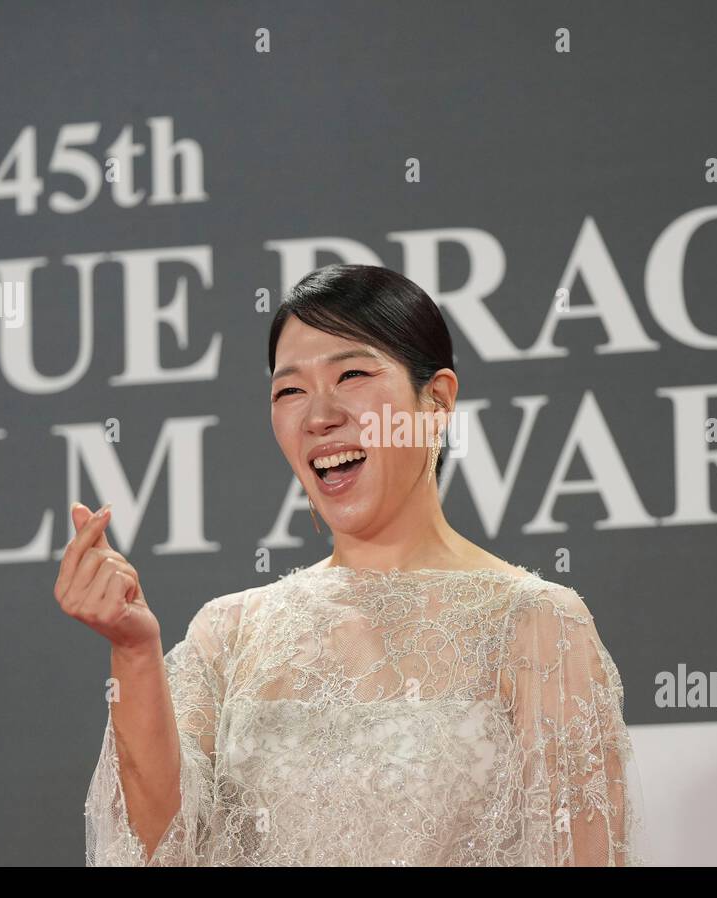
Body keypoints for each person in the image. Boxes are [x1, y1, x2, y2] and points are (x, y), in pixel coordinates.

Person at [57, 264, 651, 865]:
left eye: (353, 375)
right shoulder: (228, 635)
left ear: (437, 400)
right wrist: (134, 652)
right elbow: (155, 849)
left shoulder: (536, 625)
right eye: (290, 390)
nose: (320, 415)